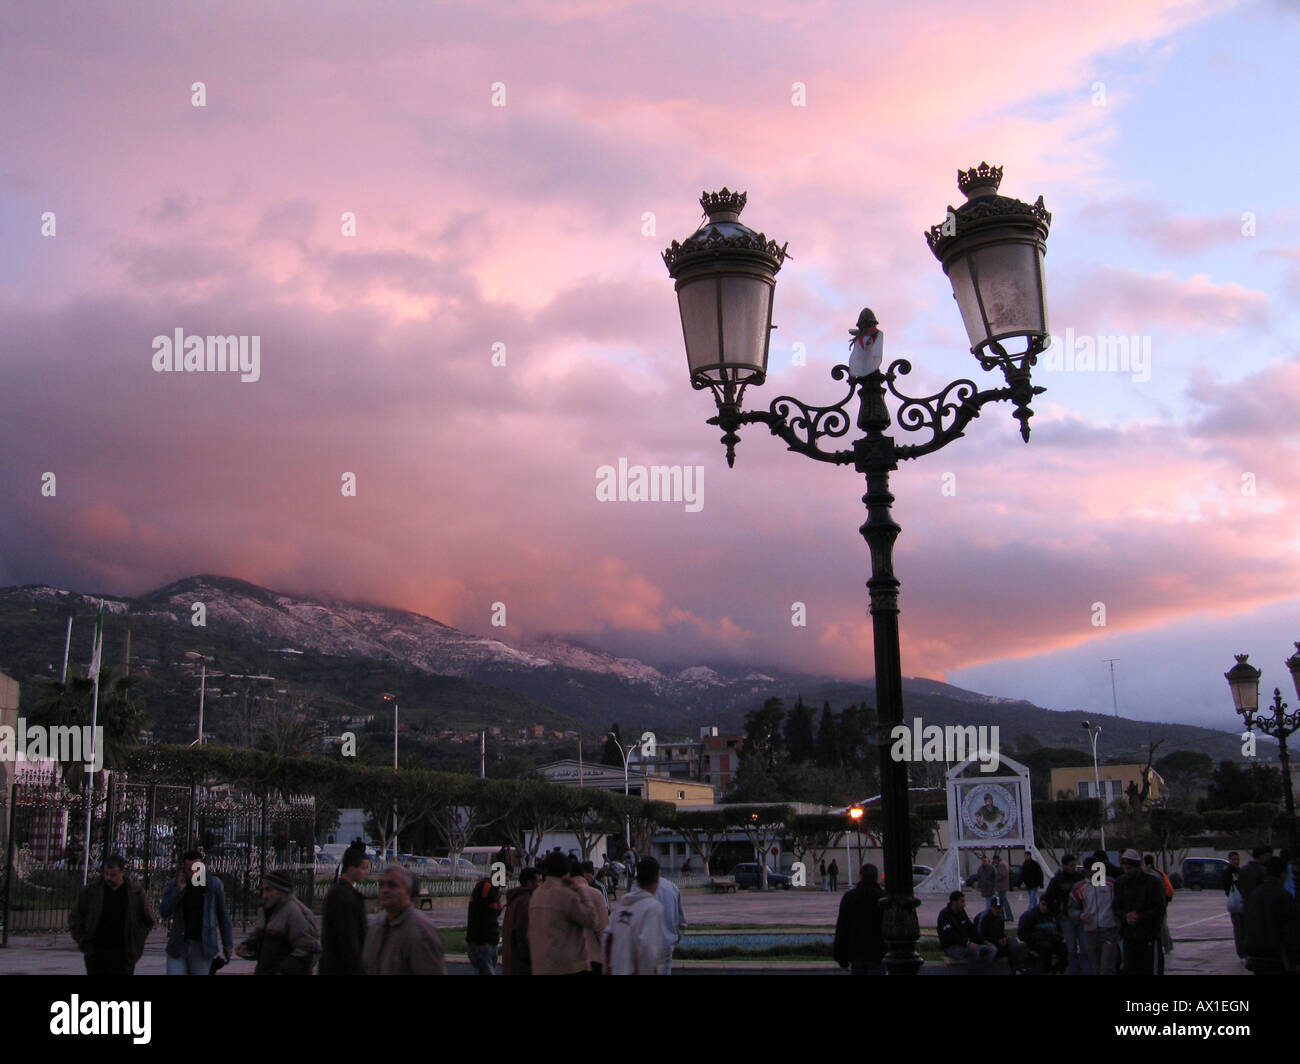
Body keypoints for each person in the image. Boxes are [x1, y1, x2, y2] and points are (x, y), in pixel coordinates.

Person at [70, 853, 156, 975]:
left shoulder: (134, 892)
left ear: (122, 872)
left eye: (113, 875)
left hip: (123, 953)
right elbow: (76, 916)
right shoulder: (91, 891)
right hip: (96, 952)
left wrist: (136, 940)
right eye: (106, 874)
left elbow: (147, 919)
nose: (108, 878)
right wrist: (83, 940)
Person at [528, 850, 605, 975]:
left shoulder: (536, 895)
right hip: (568, 966)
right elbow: (591, 920)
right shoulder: (567, 895)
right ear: (566, 870)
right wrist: (579, 890)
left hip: (541, 966)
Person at [160, 850, 233, 975]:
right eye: (189, 869)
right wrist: (179, 890)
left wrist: (228, 945)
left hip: (202, 946)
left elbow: (223, 915)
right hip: (179, 945)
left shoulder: (213, 885)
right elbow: (164, 911)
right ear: (183, 869)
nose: (193, 873)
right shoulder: (175, 884)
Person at [362, 866, 445, 975]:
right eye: (381, 885)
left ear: (408, 891)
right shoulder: (376, 925)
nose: (384, 890)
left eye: (392, 885)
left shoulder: (420, 932)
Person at [235, 870, 320, 975]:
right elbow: (264, 944)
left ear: (281, 891)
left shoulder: (295, 913)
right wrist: (247, 946)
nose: (265, 895)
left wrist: (283, 970)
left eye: (268, 890)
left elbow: (308, 949)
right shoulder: (266, 911)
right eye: (263, 890)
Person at [605, 856, 665, 975]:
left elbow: (607, 939)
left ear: (637, 879)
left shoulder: (621, 906)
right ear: (657, 879)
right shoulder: (652, 907)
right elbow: (647, 947)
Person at [1243, 856, 1300, 975]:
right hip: (1277, 955)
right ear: (1283, 874)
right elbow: (1289, 930)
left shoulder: (1255, 893)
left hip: (1256, 953)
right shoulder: (1283, 896)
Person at [1113, 849, 1166, 976]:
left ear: (1137, 867)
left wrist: (1140, 917)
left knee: (1150, 968)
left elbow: (1159, 908)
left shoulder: (1153, 882)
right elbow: (1116, 906)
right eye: (1125, 868)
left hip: (1149, 935)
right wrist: (1126, 916)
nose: (1127, 872)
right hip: (1129, 936)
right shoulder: (1120, 882)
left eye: (1129, 868)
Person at [320, 845, 369, 975]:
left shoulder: (337, 892)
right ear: (351, 868)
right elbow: (349, 939)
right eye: (363, 868)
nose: (366, 872)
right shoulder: (345, 897)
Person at [833, 863, 885, 974]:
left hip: (856, 953)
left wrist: (841, 957)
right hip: (877, 953)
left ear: (860, 876)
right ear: (876, 877)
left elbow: (842, 927)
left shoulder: (850, 897)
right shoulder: (883, 898)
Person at [1072, 851, 1117, 975]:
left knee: (1107, 967)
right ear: (1087, 872)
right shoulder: (1079, 887)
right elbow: (1071, 908)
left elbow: (1119, 904)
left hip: (1108, 930)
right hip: (1090, 931)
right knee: (1095, 967)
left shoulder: (1111, 884)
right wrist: (1081, 915)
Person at [1044, 853, 1089, 974]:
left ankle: (1086, 971)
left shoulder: (1079, 877)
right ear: (1064, 866)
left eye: (1075, 865)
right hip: (1066, 918)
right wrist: (1058, 912)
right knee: (1071, 949)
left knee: (1085, 947)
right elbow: (1048, 898)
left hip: (1080, 916)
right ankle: (1074, 971)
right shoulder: (1057, 880)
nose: (1073, 868)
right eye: (1071, 866)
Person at [936, 891, 996, 973]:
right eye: (962, 901)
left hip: (965, 945)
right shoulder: (944, 915)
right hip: (951, 947)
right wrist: (967, 943)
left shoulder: (962, 912)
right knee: (974, 952)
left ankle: (982, 971)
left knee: (992, 950)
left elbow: (971, 929)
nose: (964, 904)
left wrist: (984, 941)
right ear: (954, 902)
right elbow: (950, 936)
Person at [571, 858, 610, 974]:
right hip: (593, 958)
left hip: (569, 959)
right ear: (584, 875)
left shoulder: (560, 895)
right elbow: (603, 928)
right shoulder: (595, 894)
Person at [501, 866, 538, 975]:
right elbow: (523, 933)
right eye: (539, 881)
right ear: (529, 883)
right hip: (521, 965)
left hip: (511, 961)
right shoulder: (526, 902)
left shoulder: (514, 899)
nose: (541, 885)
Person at [1016, 896, 1067, 973]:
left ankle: (1057, 969)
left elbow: (1059, 930)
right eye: (1043, 904)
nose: (1045, 907)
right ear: (1039, 903)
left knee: (1065, 948)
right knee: (1047, 948)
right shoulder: (1029, 915)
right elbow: (1022, 934)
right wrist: (1036, 937)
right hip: (1038, 942)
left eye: (1047, 905)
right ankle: (1047, 970)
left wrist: (1058, 936)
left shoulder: (1051, 914)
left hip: (1052, 940)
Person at [973, 896, 1024, 973]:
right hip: (985, 943)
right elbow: (979, 937)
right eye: (996, 908)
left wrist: (1003, 938)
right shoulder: (984, 917)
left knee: (1013, 942)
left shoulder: (1000, 918)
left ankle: (1017, 969)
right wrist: (996, 941)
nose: (998, 910)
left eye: (1000, 908)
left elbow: (1000, 933)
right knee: (993, 950)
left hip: (996, 942)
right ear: (991, 907)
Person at [466, 877, 502, 975]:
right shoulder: (486, 887)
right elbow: (479, 914)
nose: (507, 879)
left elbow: (492, 915)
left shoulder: (495, 890)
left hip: (490, 942)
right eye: (506, 875)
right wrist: (481, 942)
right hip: (483, 943)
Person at [1143, 854, 1175, 961]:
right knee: (1163, 925)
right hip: (1162, 902)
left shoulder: (1146, 874)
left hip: (1152, 905)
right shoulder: (1160, 873)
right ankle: (1168, 947)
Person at [655, 868, 687, 975]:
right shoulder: (671, 887)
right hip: (667, 944)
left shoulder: (636, 891)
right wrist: (675, 939)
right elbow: (682, 922)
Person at [1223, 851, 1246, 962]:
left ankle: (1244, 951)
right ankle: (1241, 952)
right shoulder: (1228, 871)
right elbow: (1227, 887)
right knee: (1238, 929)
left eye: (1237, 859)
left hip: (1242, 902)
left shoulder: (1241, 871)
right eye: (1234, 859)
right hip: (1236, 904)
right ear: (1229, 860)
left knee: (1243, 929)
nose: (1236, 861)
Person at [993, 853, 1015, 920]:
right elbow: (1010, 871)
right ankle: (1003, 916)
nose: (994, 862)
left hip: (1001, 886)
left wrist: (996, 878)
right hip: (1004, 885)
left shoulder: (1001, 864)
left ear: (996, 859)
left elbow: (1003, 874)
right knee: (1002, 902)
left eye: (994, 860)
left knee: (1003, 902)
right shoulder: (1005, 863)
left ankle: (1008, 916)